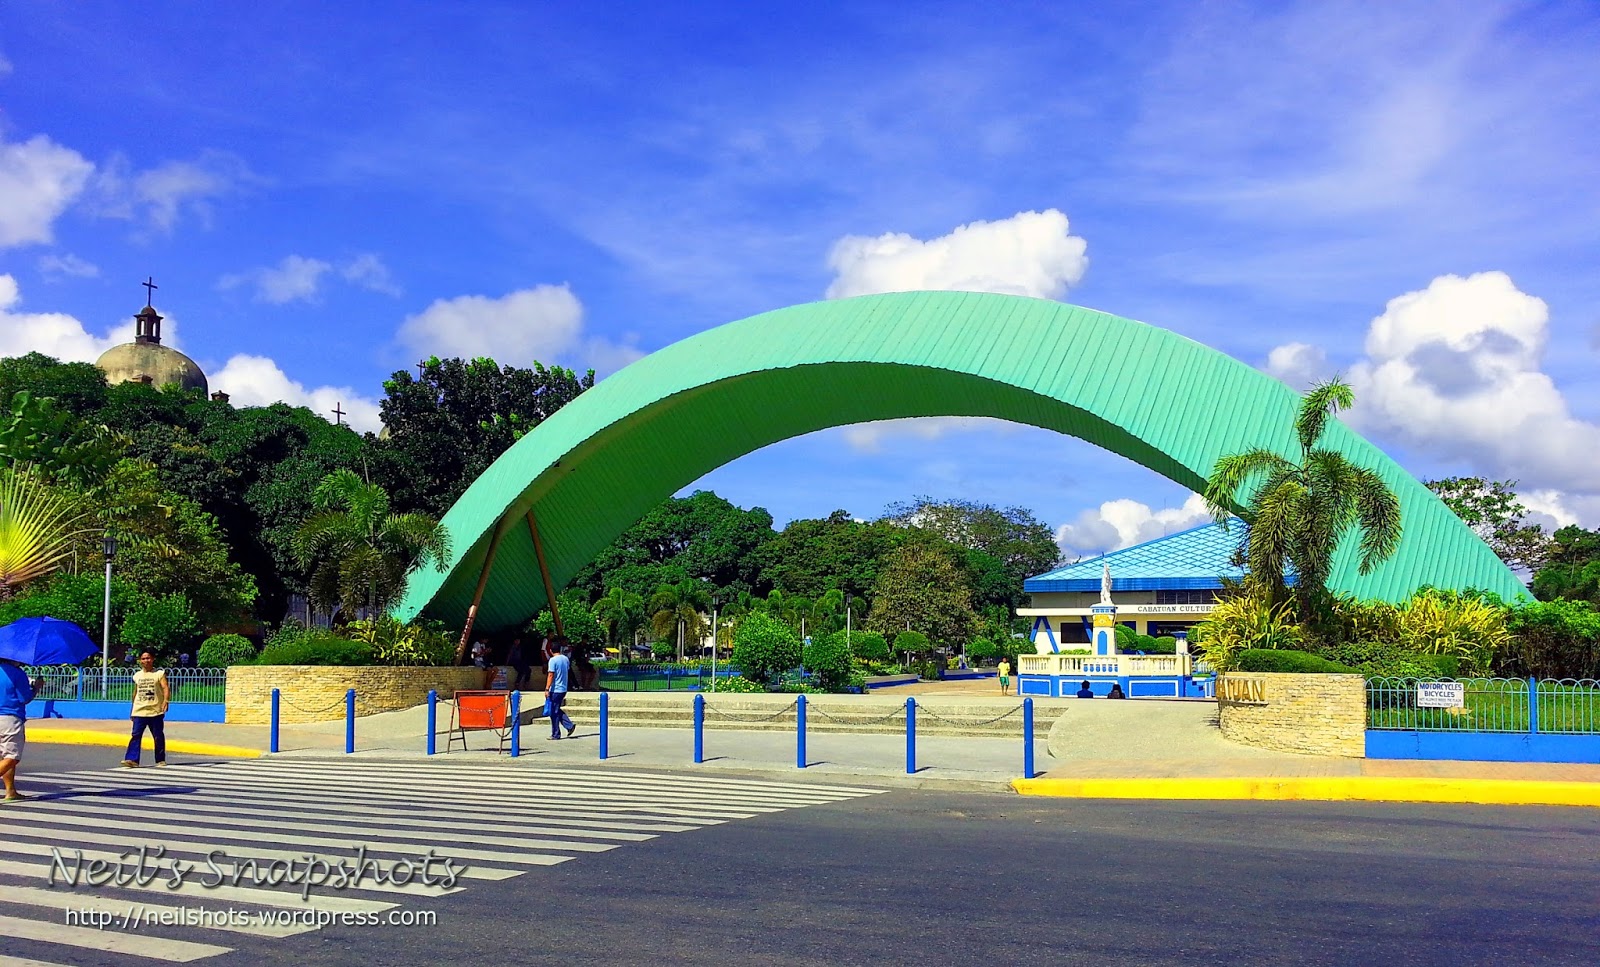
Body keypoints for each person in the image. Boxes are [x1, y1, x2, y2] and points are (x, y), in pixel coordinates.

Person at [0, 659, 43, 802]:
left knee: (3, 757)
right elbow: (25, 698)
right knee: (12, 757)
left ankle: (10, 791)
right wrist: (36, 687)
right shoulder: (17, 674)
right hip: (9, 719)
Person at [122, 651, 170, 768]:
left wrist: (166, 701)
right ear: (140, 661)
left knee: (158, 735)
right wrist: (132, 710)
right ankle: (132, 759)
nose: (145, 661)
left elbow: (165, 687)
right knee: (136, 735)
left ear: (152, 659)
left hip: (155, 711)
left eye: (148, 658)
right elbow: (136, 692)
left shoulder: (159, 674)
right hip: (139, 711)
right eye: (143, 658)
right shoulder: (137, 676)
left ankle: (160, 759)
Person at [545, 643, 576, 740]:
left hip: (555, 689)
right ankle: (569, 725)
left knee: (553, 712)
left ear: (551, 651)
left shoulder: (552, 660)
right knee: (556, 709)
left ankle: (556, 733)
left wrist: (547, 688)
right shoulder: (565, 659)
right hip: (563, 688)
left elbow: (551, 675)